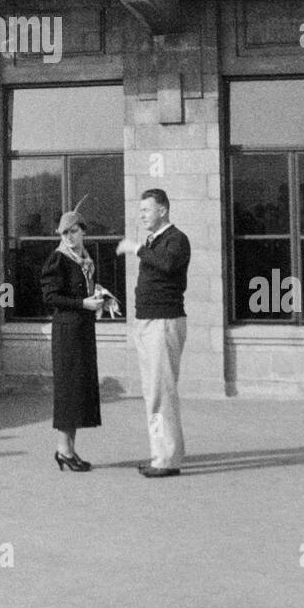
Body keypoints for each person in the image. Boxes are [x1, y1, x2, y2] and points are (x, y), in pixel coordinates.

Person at [118, 188, 191, 479]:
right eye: (141, 211)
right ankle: (162, 453)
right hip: (148, 323)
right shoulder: (156, 241)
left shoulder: (176, 240)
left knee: (161, 393)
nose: (142, 215)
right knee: (153, 393)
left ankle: (166, 459)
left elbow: (168, 264)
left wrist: (135, 248)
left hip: (163, 323)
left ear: (163, 210)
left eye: (146, 210)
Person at [40, 211, 104, 472]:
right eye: (65, 233)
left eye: (74, 231)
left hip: (82, 330)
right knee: (69, 391)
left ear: (83, 231)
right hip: (67, 333)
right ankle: (63, 449)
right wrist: (82, 303)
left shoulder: (85, 258)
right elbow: (50, 297)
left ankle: (69, 449)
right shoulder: (59, 259)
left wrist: (99, 296)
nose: (70, 237)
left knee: (79, 391)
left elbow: (84, 288)